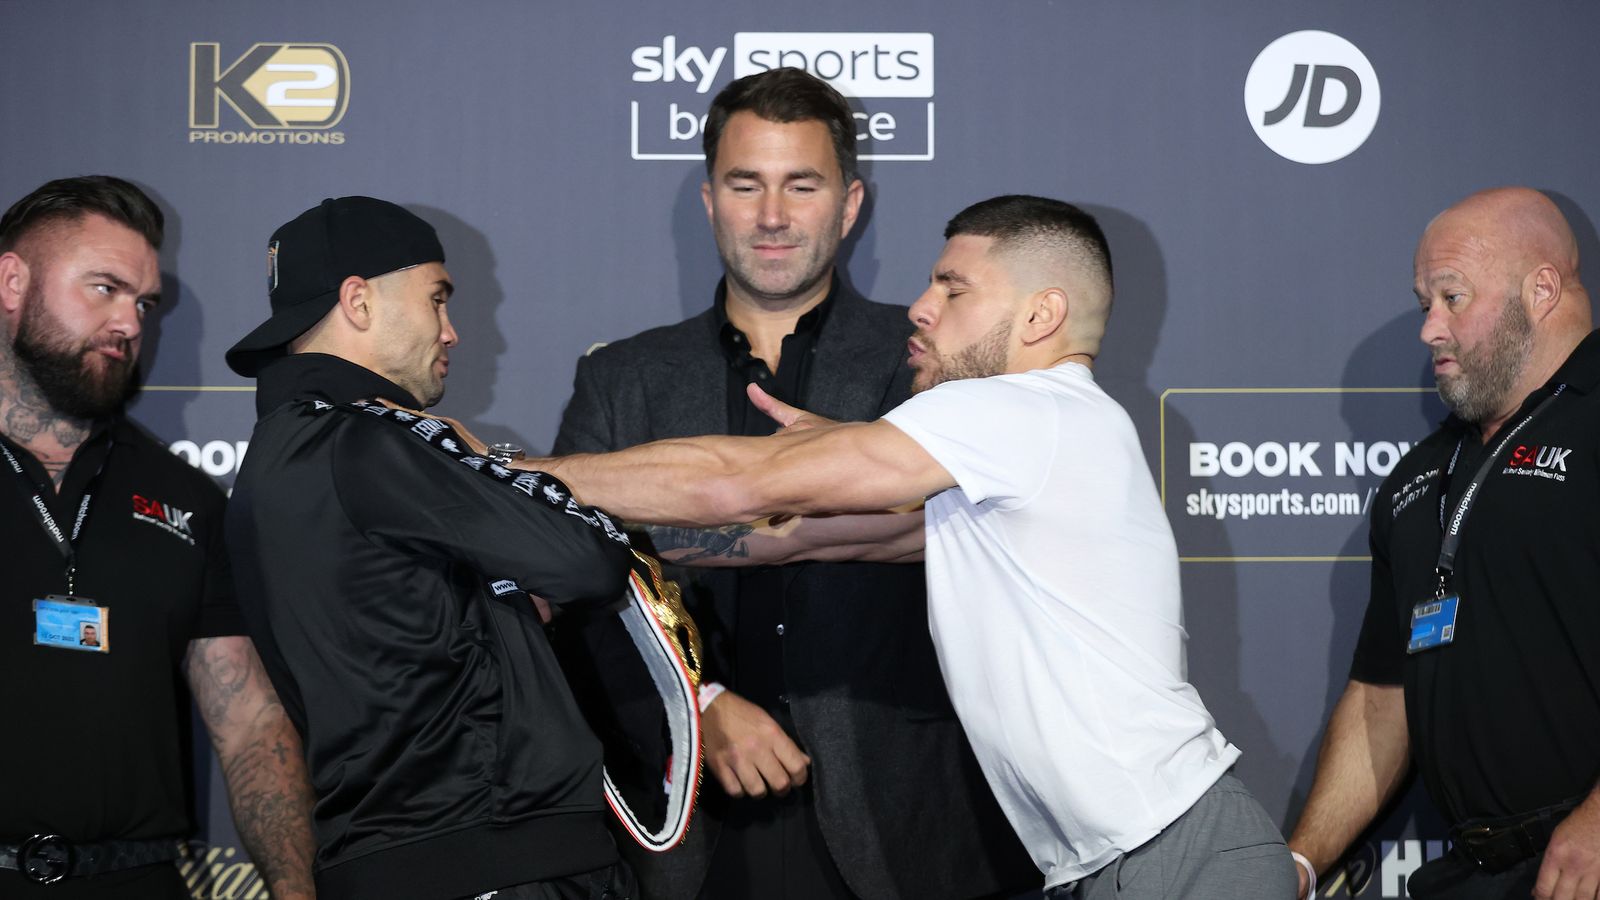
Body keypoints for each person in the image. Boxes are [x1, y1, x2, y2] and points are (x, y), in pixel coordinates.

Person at [517, 194, 1295, 898]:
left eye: (954, 289)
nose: (920, 308)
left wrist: (510, 477)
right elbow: (776, 541)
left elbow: (739, 485)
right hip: (1118, 863)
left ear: (1040, 316)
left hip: (1180, 854)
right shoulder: (1020, 455)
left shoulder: (1023, 410)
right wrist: (609, 536)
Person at [552, 67, 1031, 900]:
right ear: (709, 200)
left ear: (849, 206)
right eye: (747, 184)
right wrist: (700, 705)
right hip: (683, 822)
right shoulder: (622, 380)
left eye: (800, 185)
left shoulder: (930, 363)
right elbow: (572, 584)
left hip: (908, 819)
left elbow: (958, 548)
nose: (772, 216)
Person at [223, 197, 638, 900]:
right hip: (492, 857)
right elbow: (588, 559)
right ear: (357, 301)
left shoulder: (272, 462)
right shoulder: (371, 440)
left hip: (398, 855)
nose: (452, 332)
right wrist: (498, 477)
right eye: (437, 300)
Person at [0, 175, 314, 898]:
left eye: (144, 303)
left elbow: (251, 730)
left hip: (134, 879)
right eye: (103, 289)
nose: (131, 324)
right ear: (13, 282)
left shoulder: (186, 500)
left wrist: (296, 892)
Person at [1287, 187, 1600, 900]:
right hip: (1471, 875)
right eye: (1426, 302)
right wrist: (1302, 862)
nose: (1429, 328)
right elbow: (1380, 697)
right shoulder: (1420, 475)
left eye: (1452, 298)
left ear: (1543, 289)